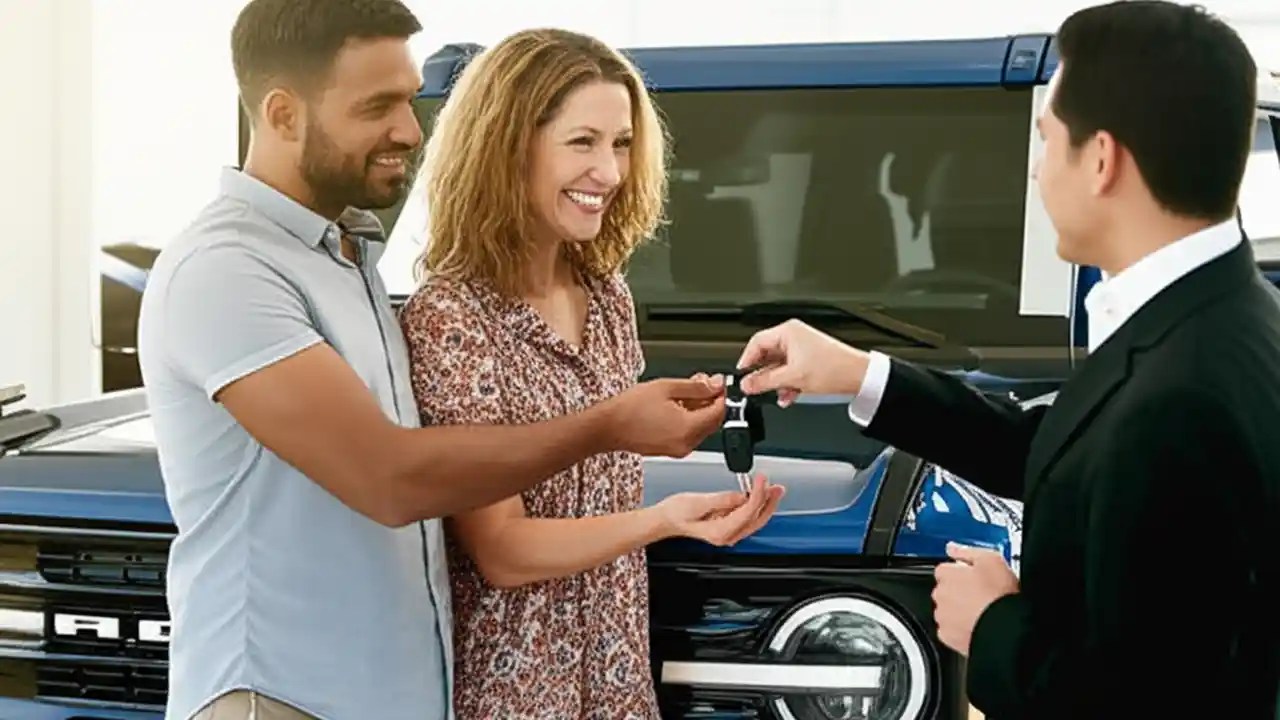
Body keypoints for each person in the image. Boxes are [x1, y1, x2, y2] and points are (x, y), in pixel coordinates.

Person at [136, 3, 733, 719]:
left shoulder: (349, 257)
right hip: (281, 698)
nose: (412, 132)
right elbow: (391, 476)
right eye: (378, 106)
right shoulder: (226, 271)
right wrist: (611, 430)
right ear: (283, 113)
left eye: (409, 100)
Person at [736, 2, 1279, 718]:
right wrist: (858, 373)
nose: (1034, 170)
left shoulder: (1183, 398)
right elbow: (1065, 454)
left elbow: (1144, 700)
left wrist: (993, 628)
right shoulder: (1218, 320)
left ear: (1103, 161)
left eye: (1047, 139)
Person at [397, 28, 785, 720]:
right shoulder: (450, 319)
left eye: (622, 143)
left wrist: (673, 423)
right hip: (510, 701)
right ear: (507, 147)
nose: (608, 171)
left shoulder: (606, 296)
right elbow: (503, 552)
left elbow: (602, 472)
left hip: (616, 689)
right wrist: (663, 520)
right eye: (583, 143)